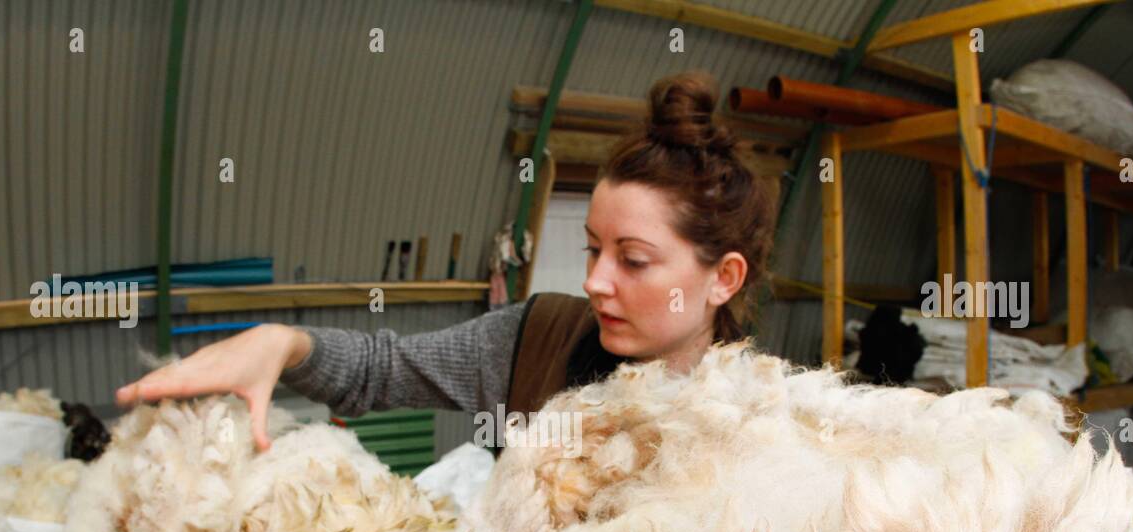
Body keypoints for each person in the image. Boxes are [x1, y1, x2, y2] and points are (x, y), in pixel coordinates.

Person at [115, 71, 776, 451]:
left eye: (633, 261)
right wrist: (284, 343)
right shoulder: (537, 341)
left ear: (723, 278)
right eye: (594, 249)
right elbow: (381, 372)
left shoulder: (763, 431)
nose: (594, 281)